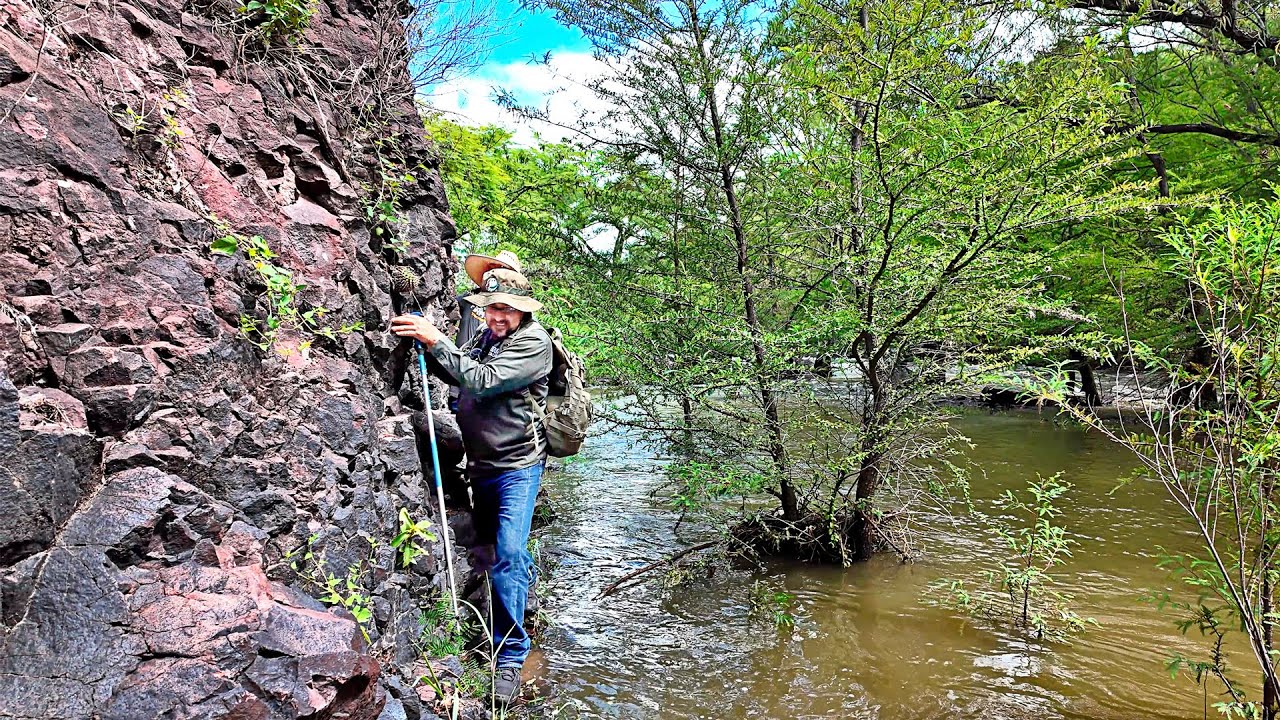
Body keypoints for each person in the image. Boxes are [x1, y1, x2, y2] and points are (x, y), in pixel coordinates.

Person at [390, 260, 551, 706]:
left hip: (518, 466)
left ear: (523, 311)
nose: (496, 317)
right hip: (482, 465)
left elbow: (481, 382)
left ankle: (510, 657)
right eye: (490, 308)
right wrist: (425, 345)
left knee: (510, 552)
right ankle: (504, 610)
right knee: (489, 552)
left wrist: (436, 338)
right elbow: (461, 376)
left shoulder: (534, 344)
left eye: (506, 310)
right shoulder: (488, 336)